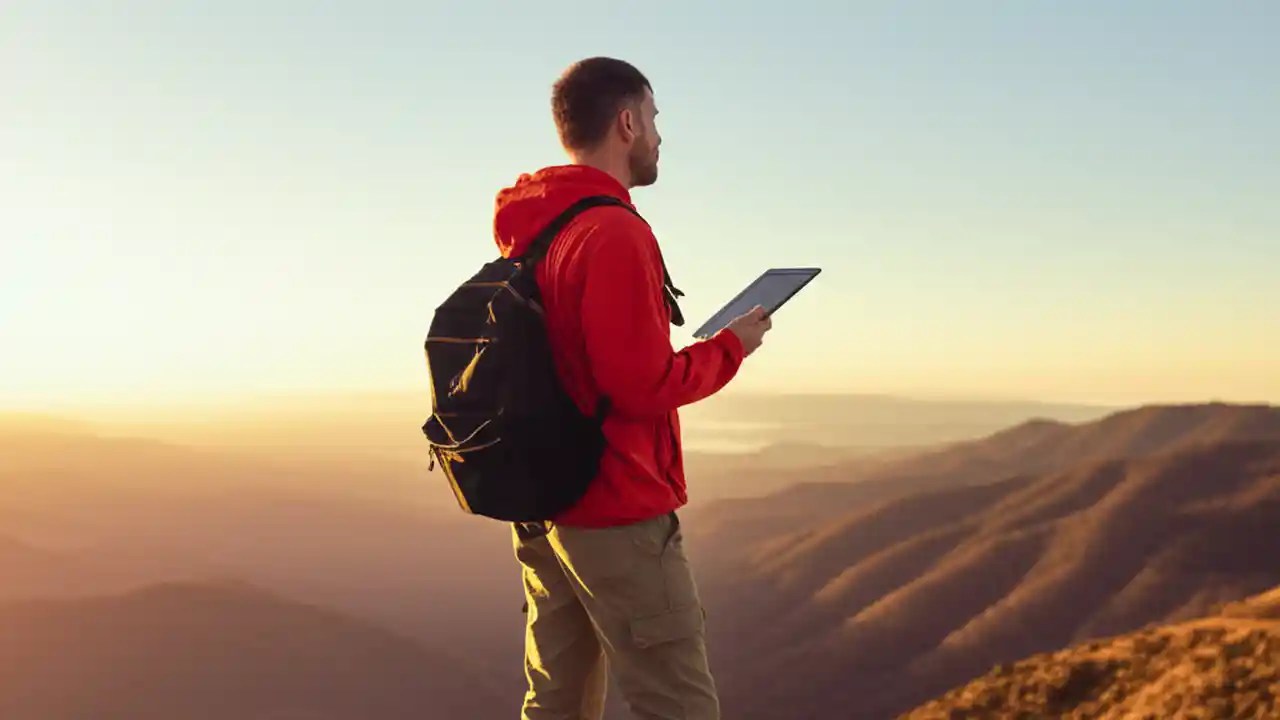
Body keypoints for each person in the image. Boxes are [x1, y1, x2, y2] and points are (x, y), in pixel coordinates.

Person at [491, 56, 772, 719]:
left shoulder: (536, 229)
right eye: (653, 118)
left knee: (556, 700)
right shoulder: (613, 231)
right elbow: (640, 386)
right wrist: (731, 347)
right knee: (677, 707)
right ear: (626, 122)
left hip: (543, 501)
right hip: (615, 507)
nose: (658, 136)